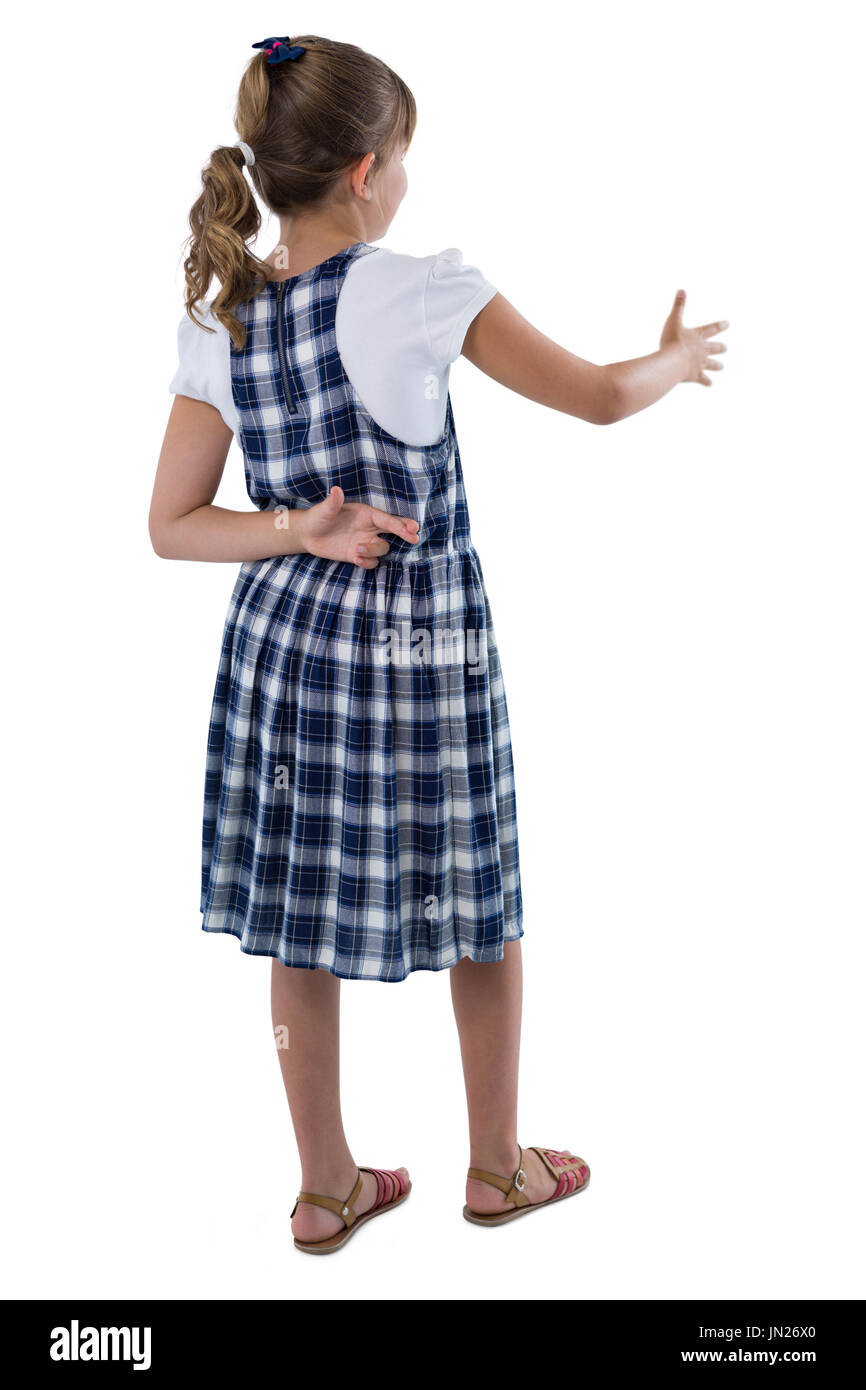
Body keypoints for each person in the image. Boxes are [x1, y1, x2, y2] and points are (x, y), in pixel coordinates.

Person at [150, 34, 729, 1254]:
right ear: (365, 170)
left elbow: (172, 525)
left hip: (283, 650)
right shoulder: (423, 286)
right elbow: (599, 396)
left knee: (295, 913)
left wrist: (293, 527)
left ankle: (324, 1188)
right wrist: (674, 360)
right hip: (421, 649)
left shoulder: (226, 313)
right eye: (402, 159)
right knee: (479, 898)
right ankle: (495, 1166)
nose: (406, 182)